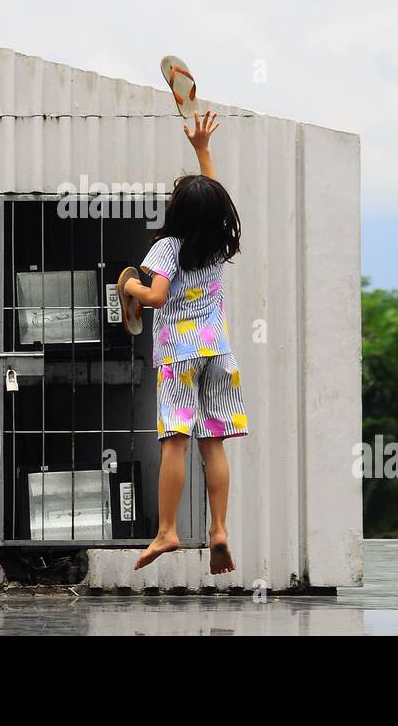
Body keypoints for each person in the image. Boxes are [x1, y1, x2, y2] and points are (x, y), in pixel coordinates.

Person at [119, 110, 246, 575]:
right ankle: (218, 530)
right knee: (214, 442)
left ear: (176, 211)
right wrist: (202, 150)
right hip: (219, 352)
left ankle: (168, 531)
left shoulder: (166, 248)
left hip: (178, 354)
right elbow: (214, 199)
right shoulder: (217, 242)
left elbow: (155, 296)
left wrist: (127, 286)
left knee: (175, 439)